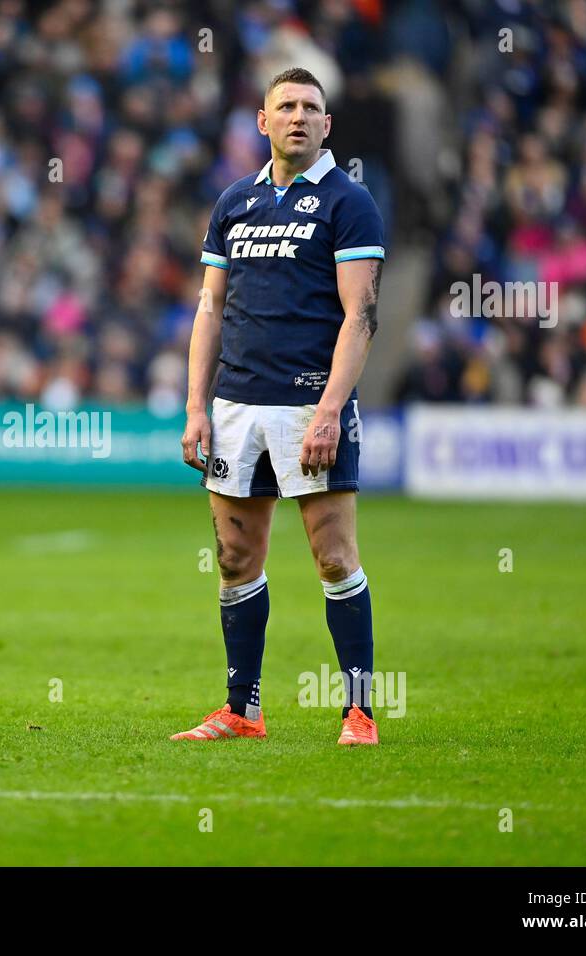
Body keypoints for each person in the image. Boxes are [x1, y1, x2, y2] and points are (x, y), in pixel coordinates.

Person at [175, 68, 385, 746]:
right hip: (235, 405)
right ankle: (243, 709)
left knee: (331, 556)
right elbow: (210, 308)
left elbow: (360, 317)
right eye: (285, 106)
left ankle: (358, 711)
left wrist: (329, 410)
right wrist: (195, 407)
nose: (299, 116)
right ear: (261, 122)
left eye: (311, 108)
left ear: (328, 124)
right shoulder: (234, 202)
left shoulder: (348, 203)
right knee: (236, 558)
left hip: (306, 405)